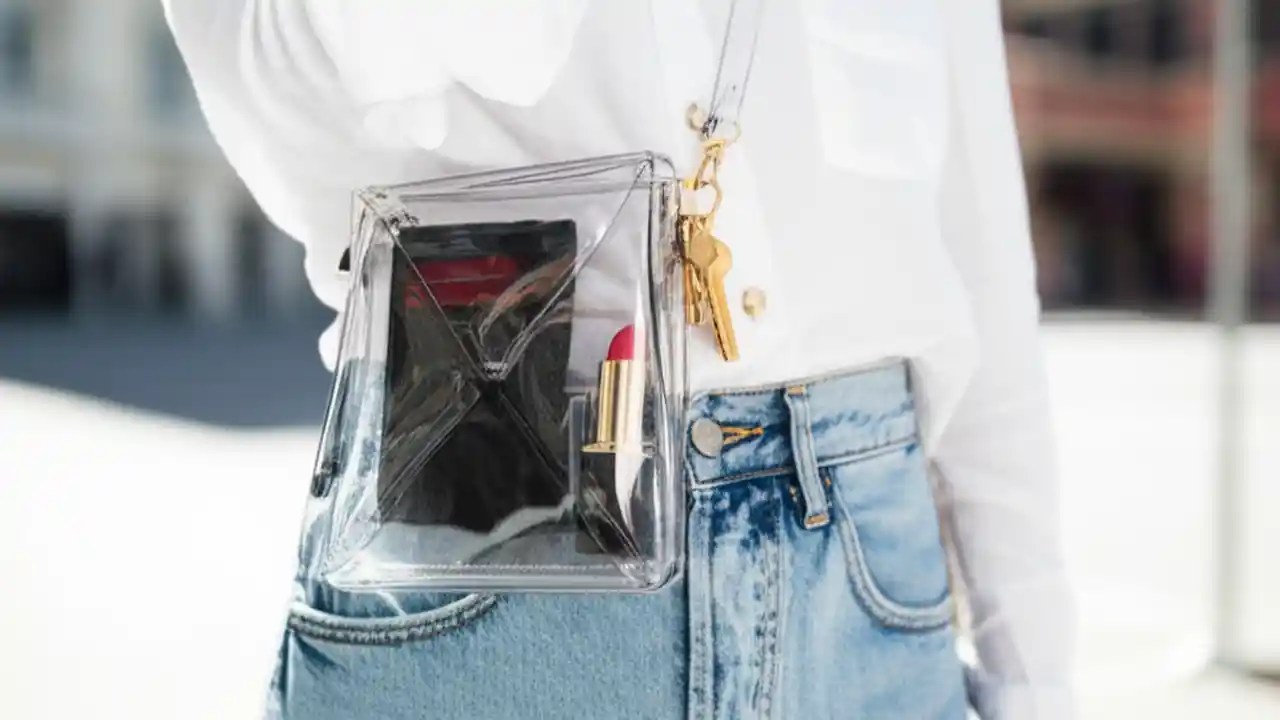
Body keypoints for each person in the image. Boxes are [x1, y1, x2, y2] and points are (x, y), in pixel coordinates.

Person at [165, 1, 1074, 718]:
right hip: (491, 513)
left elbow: (982, 265)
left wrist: (1034, 679)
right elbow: (271, 98)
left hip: (866, 575)